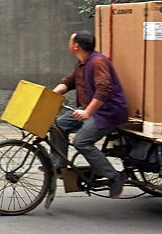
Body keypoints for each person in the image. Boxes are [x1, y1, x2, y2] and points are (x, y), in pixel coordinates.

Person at [50, 30, 128, 199]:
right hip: (87, 109)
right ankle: (59, 165)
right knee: (59, 125)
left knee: (81, 141)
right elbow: (69, 82)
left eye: (70, 41)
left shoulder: (98, 62)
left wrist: (87, 112)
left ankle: (114, 176)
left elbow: (104, 89)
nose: (68, 44)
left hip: (107, 113)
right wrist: (48, 97)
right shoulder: (81, 62)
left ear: (76, 46)